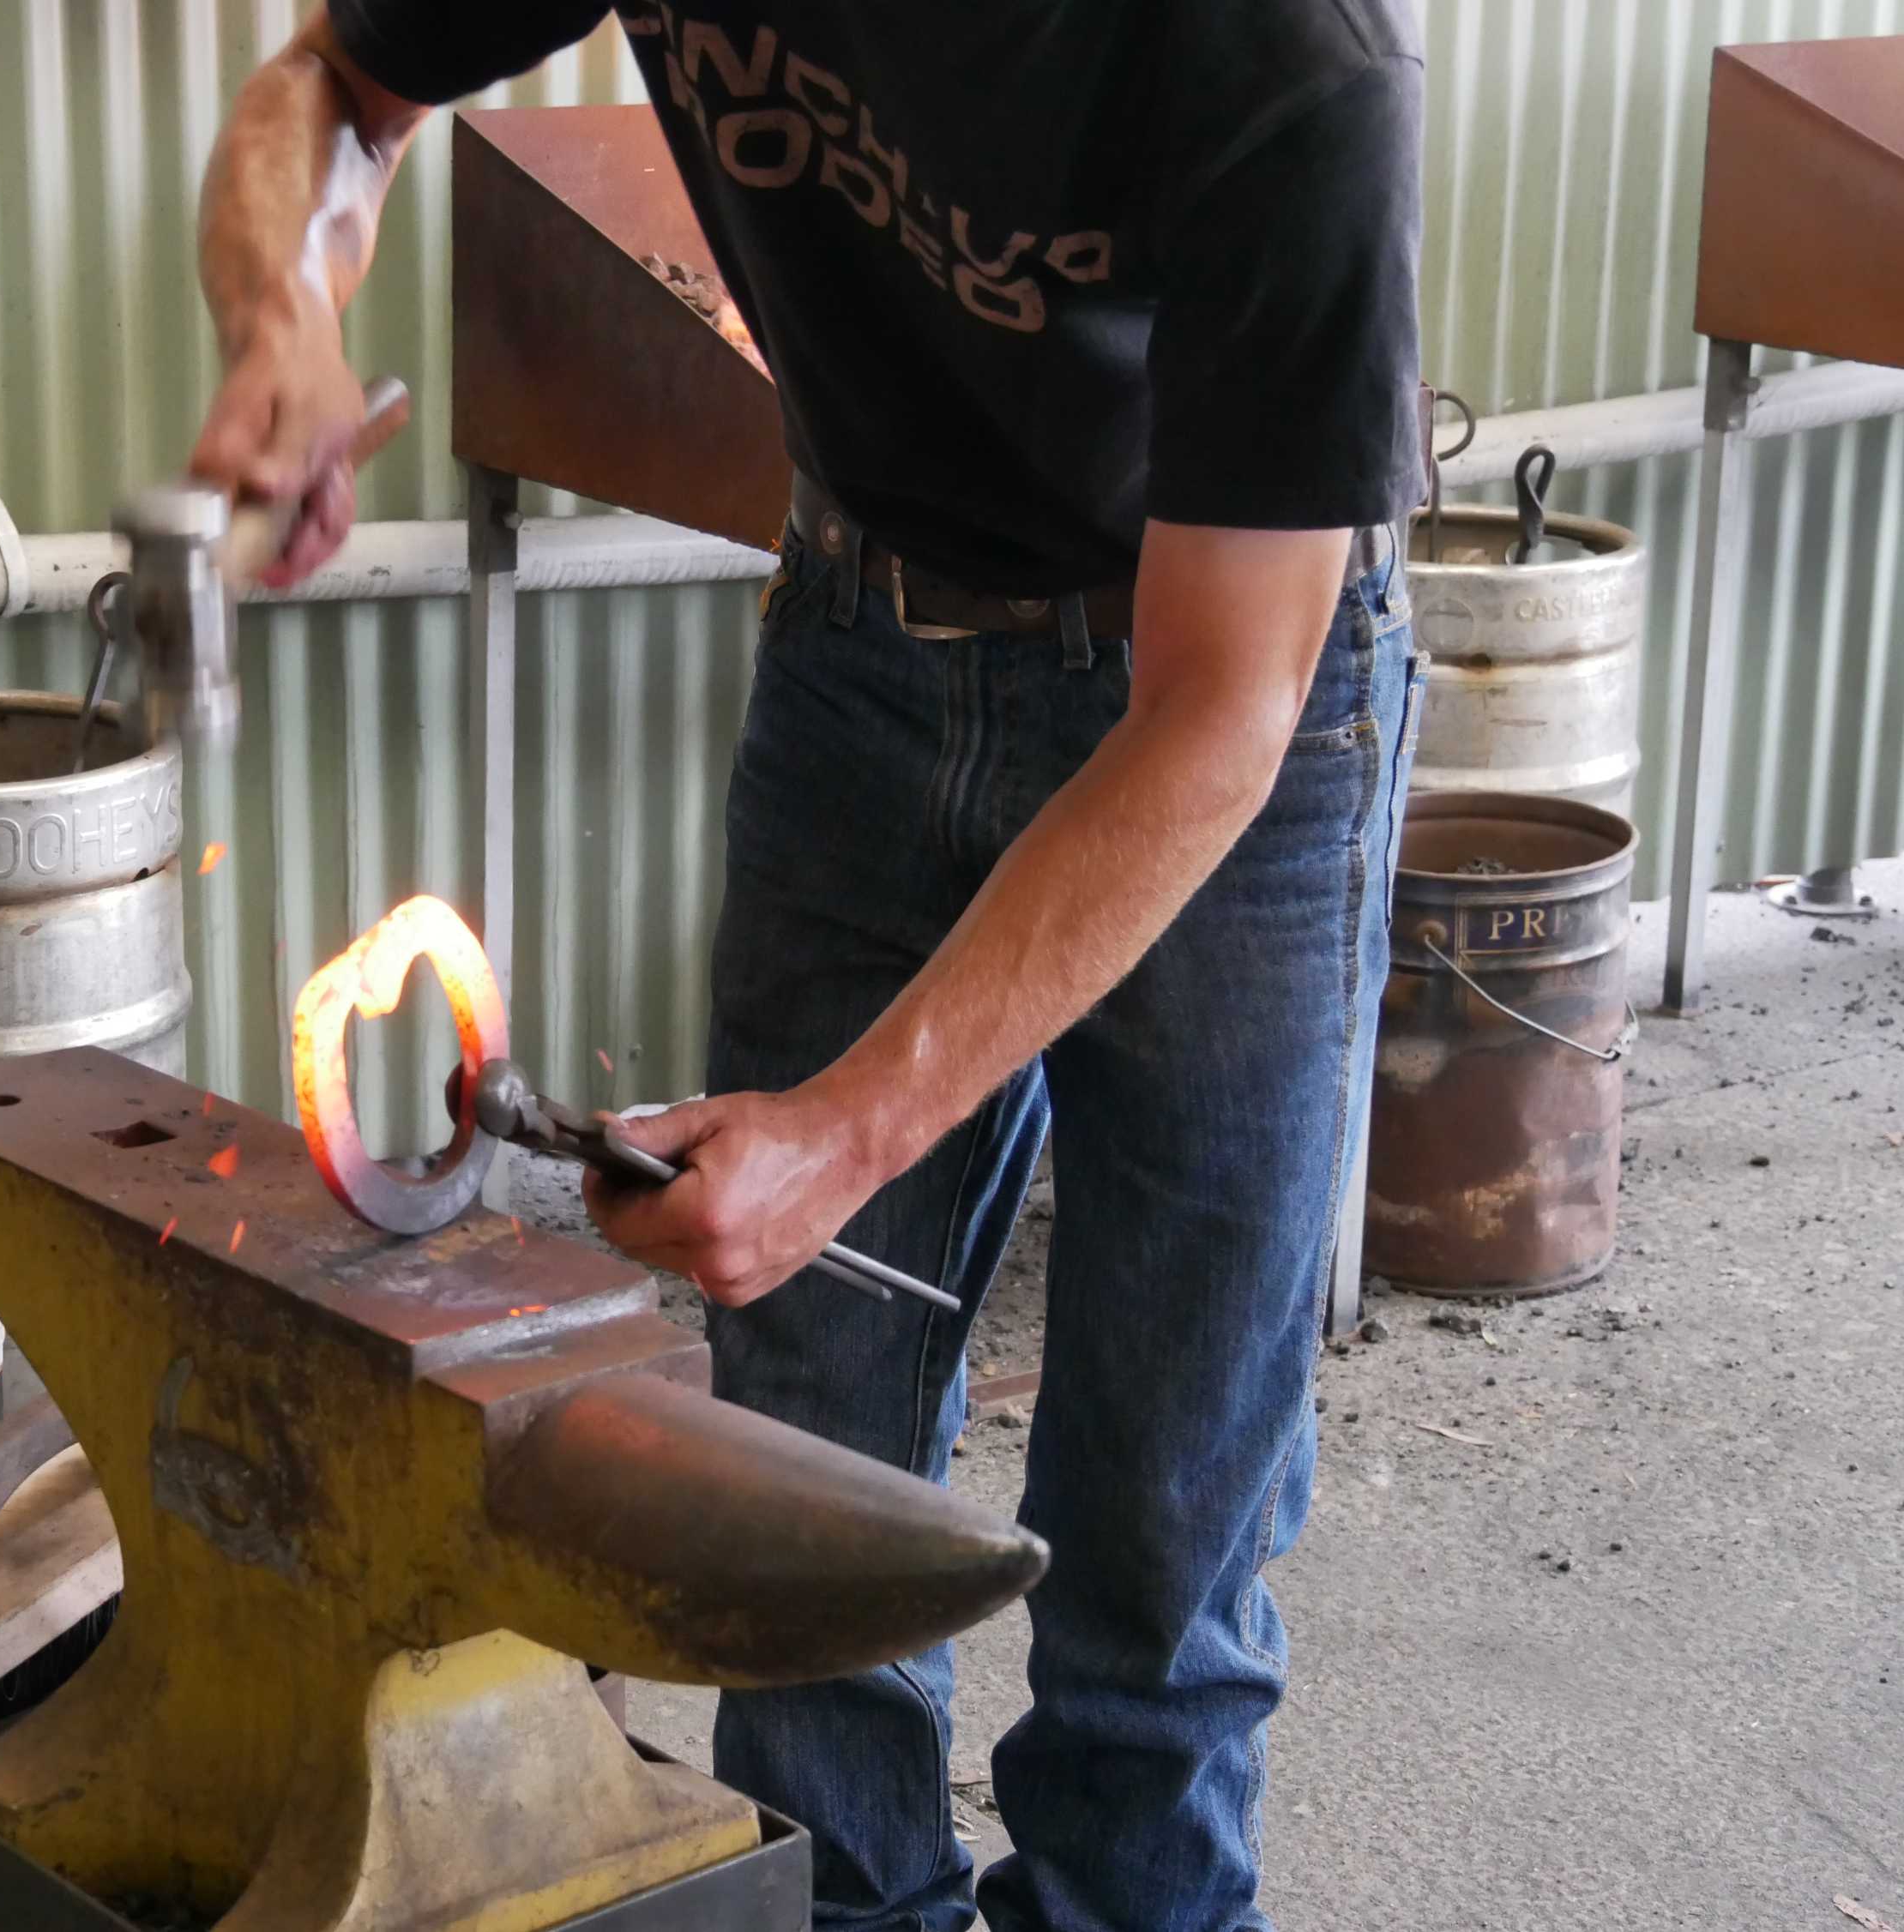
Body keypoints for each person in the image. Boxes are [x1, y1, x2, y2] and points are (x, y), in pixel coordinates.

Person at [194, 5, 1427, 1926]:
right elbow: (333, 91)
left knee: (1164, 1518)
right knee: (799, 1457)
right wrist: (287, 310)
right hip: (866, 630)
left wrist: (854, 1128)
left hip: (1220, 709)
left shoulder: (1294, 49)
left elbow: (1221, 701)